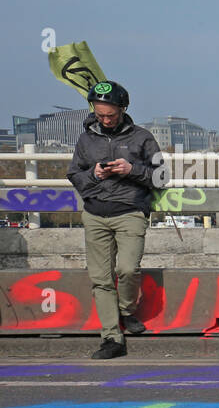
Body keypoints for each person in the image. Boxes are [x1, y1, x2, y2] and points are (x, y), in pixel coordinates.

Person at [66, 81, 166, 359]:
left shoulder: (142, 137)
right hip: (95, 213)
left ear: (122, 109)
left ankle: (126, 310)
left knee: (128, 269)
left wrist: (132, 169)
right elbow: (74, 175)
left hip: (130, 212)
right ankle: (112, 337)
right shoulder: (86, 140)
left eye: (110, 114)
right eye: (100, 115)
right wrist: (95, 175)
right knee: (100, 278)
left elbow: (162, 177)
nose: (106, 120)